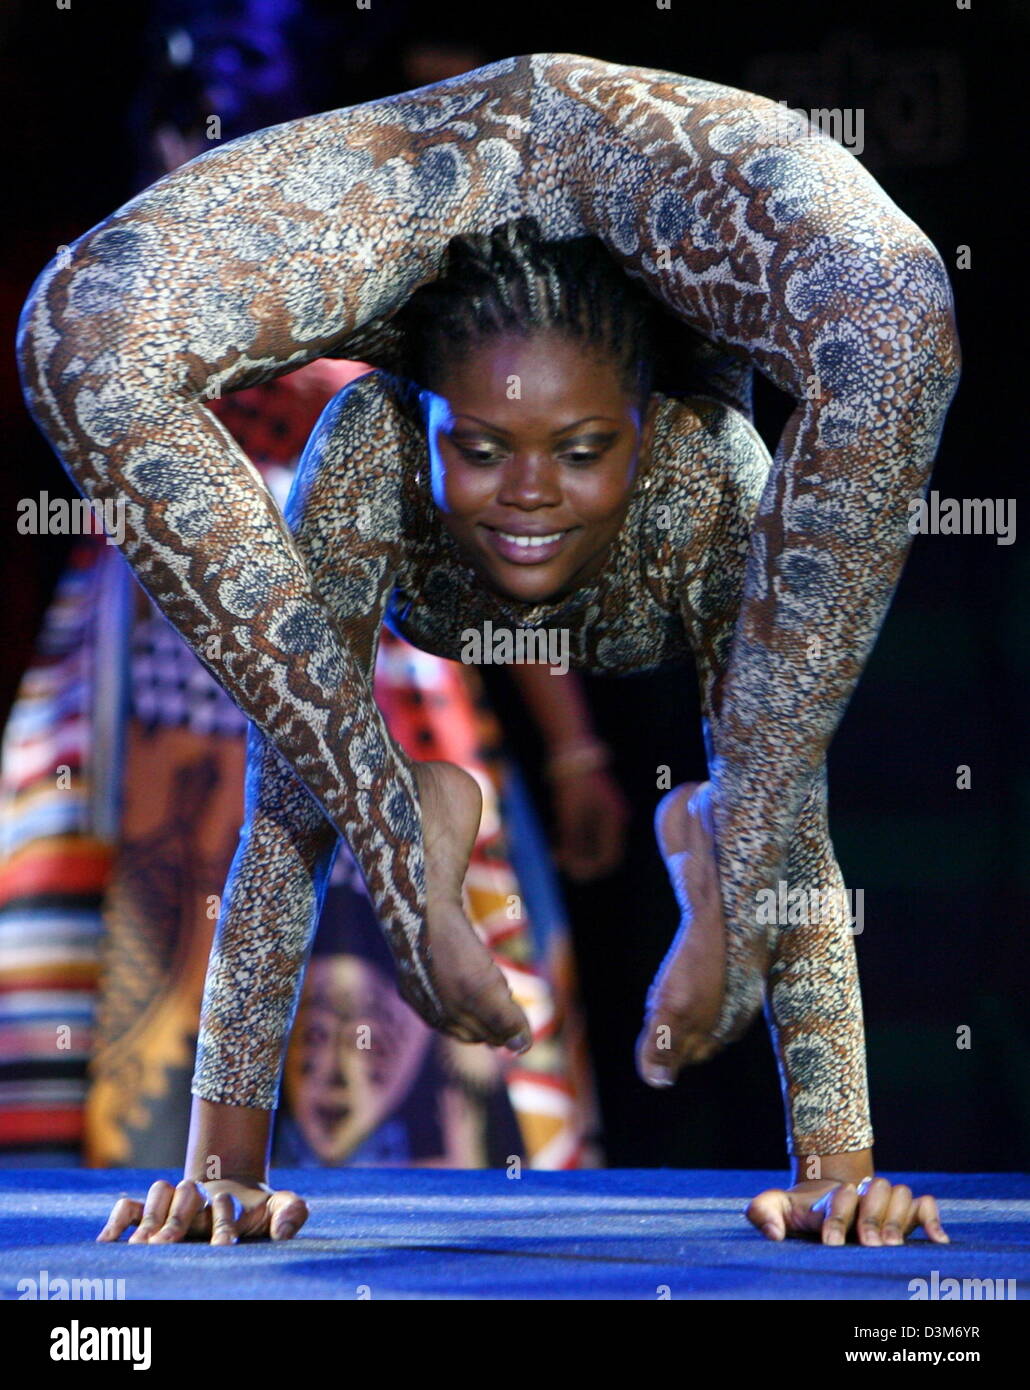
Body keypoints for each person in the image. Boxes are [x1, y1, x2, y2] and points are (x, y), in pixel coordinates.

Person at [16, 54, 959, 1242]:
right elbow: (281, 810)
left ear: (642, 436)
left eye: (577, 451)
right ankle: (416, 827)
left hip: (664, 176)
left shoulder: (706, 476)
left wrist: (838, 1170)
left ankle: (711, 843)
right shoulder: (368, 449)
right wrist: (223, 1168)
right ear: (425, 431)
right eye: (481, 449)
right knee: (77, 333)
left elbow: (797, 812)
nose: (527, 497)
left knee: (896, 321)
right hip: (436, 188)